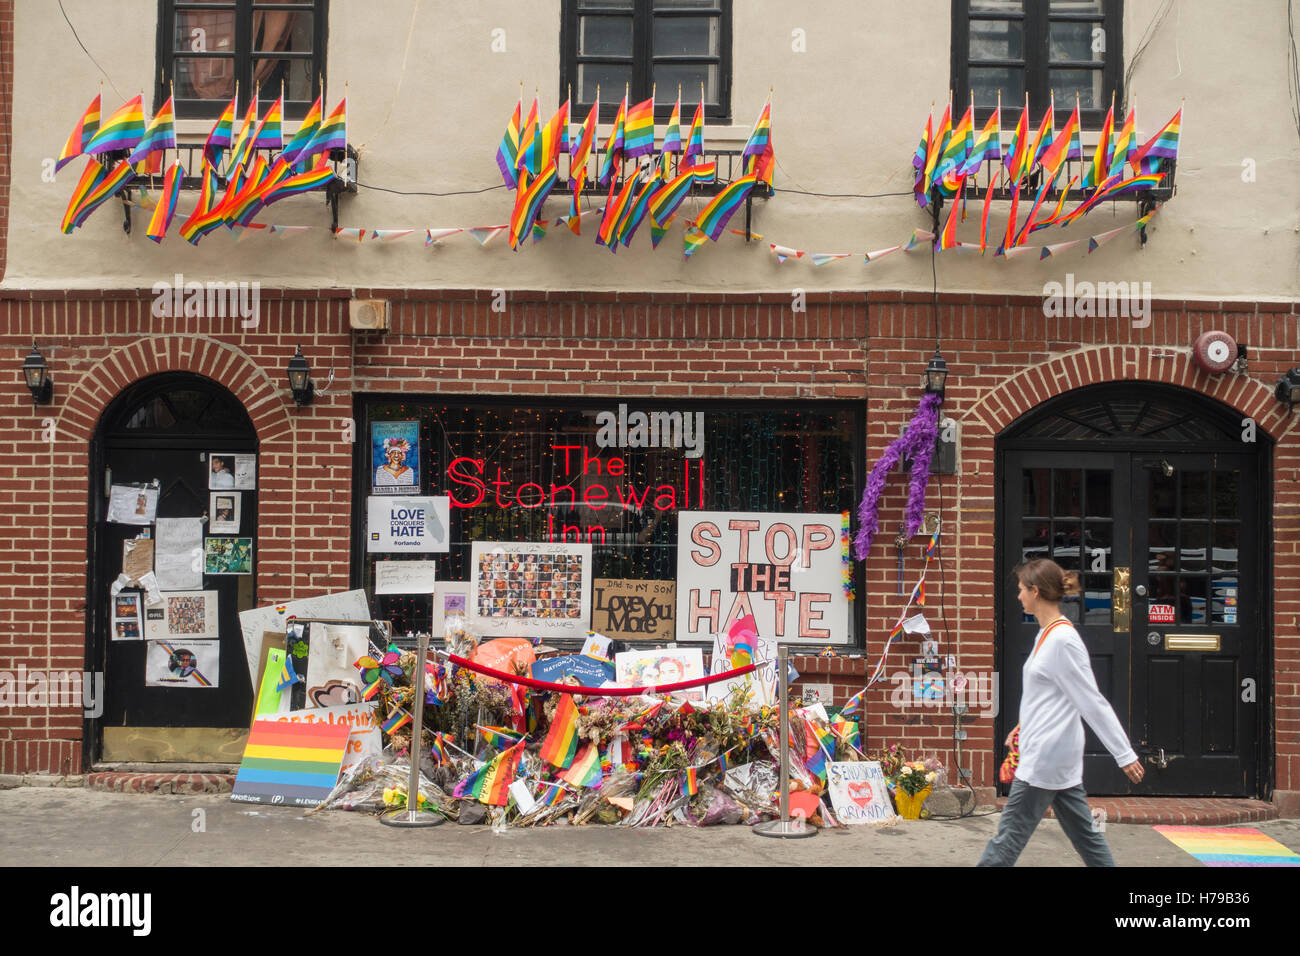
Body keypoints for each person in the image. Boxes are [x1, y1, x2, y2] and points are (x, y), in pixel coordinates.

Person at [978, 558, 1144, 867]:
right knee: (1088, 839)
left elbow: (1091, 702)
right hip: (1054, 756)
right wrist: (1021, 726)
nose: (1018, 596)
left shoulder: (1063, 641)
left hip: (1045, 759)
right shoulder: (1046, 634)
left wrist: (1125, 754)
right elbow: (1048, 697)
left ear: (1036, 591)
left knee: (1007, 839)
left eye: (1020, 590)